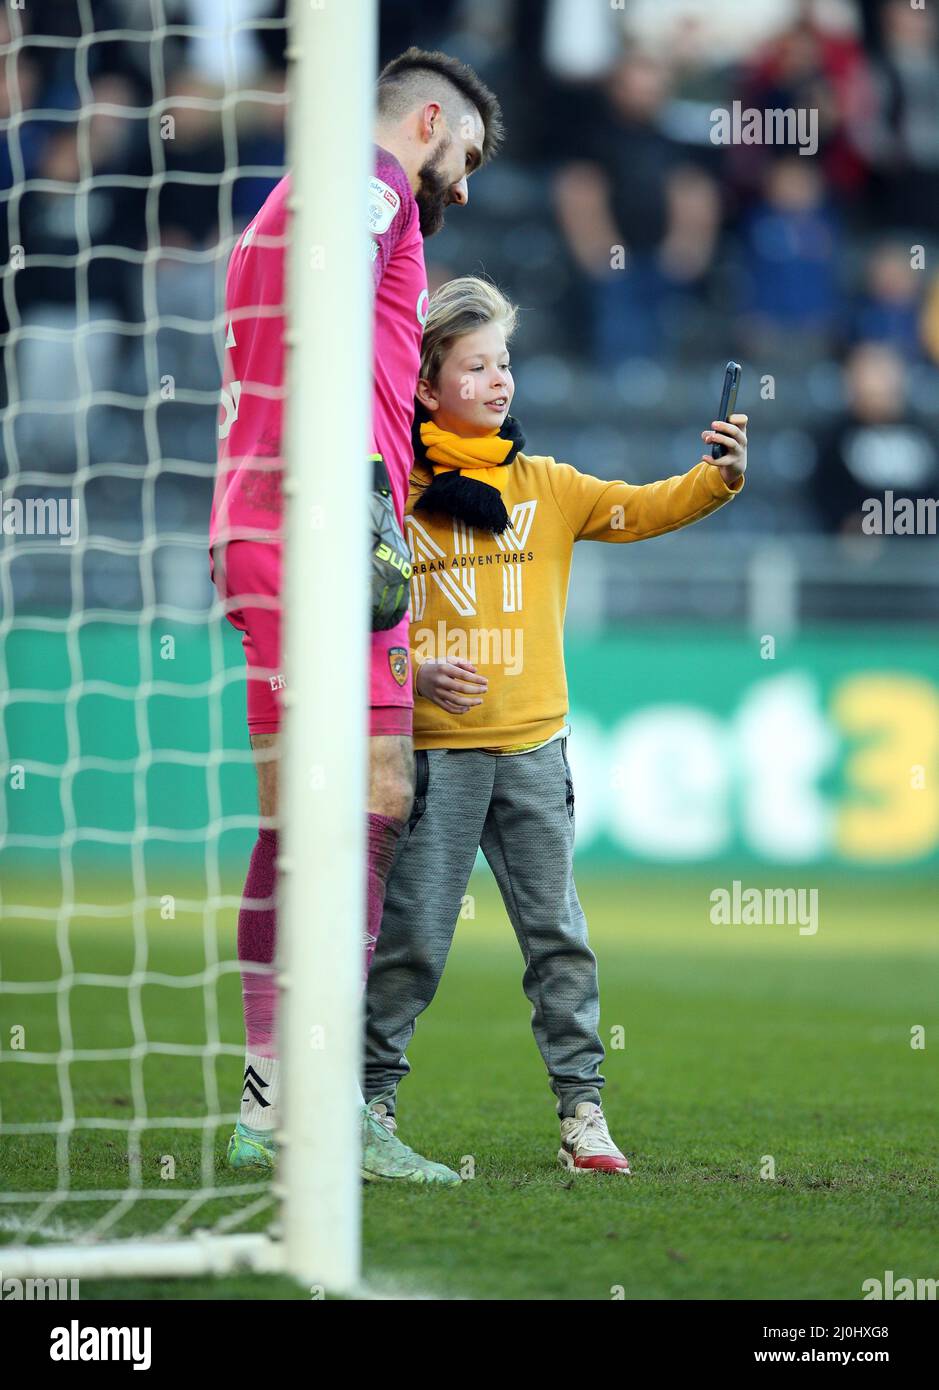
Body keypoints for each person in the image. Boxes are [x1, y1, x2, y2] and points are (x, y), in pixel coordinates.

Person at [364, 276, 748, 1174]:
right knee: (414, 938)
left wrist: (718, 479)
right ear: (426, 385)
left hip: (536, 750)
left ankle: (582, 1113)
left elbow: (648, 505)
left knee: (557, 936)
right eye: (475, 367)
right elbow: (359, 617)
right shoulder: (389, 489)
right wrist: (410, 674)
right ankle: (372, 1102)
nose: (499, 382)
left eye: (504, 363)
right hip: (435, 759)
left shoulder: (548, 486)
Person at [209, 51, 503, 1184]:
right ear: (427, 121)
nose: (463, 186)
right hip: (318, 532)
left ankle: (274, 1103)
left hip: (274, 527)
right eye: (463, 157)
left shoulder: (290, 194)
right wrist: (365, 515)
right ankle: (322, 1109)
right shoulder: (373, 187)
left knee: (319, 821)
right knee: (363, 812)